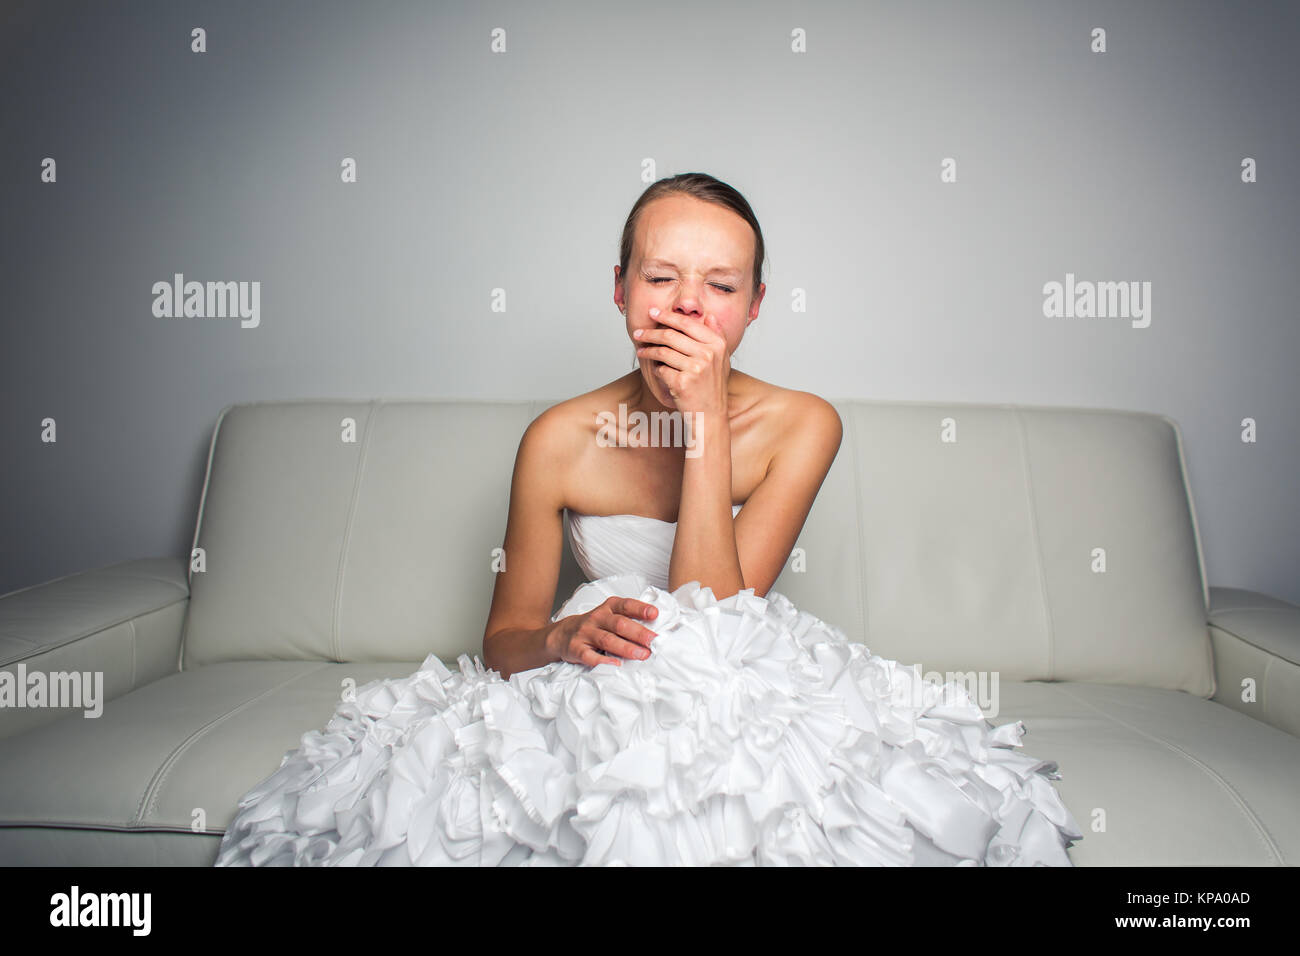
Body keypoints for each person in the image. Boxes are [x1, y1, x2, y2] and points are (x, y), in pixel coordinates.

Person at [214, 172, 1083, 866]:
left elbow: (716, 614)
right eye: (659, 278)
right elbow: (507, 637)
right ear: (621, 288)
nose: (686, 306)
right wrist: (558, 641)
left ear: (755, 304)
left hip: (736, 670)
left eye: (720, 285)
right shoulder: (557, 439)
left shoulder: (805, 423)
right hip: (602, 679)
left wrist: (700, 422)